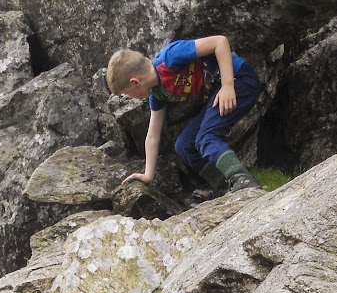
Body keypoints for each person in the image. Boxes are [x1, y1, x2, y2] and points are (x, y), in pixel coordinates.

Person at [107, 35, 264, 193]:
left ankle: (242, 180)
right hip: (218, 93)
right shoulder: (158, 94)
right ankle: (225, 184)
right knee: (184, 145)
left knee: (206, 137)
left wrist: (227, 85)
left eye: (127, 93)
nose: (129, 97)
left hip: (238, 80)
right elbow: (152, 136)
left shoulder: (170, 57)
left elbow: (220, 42)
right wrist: (148, 175)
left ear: (135, 82)